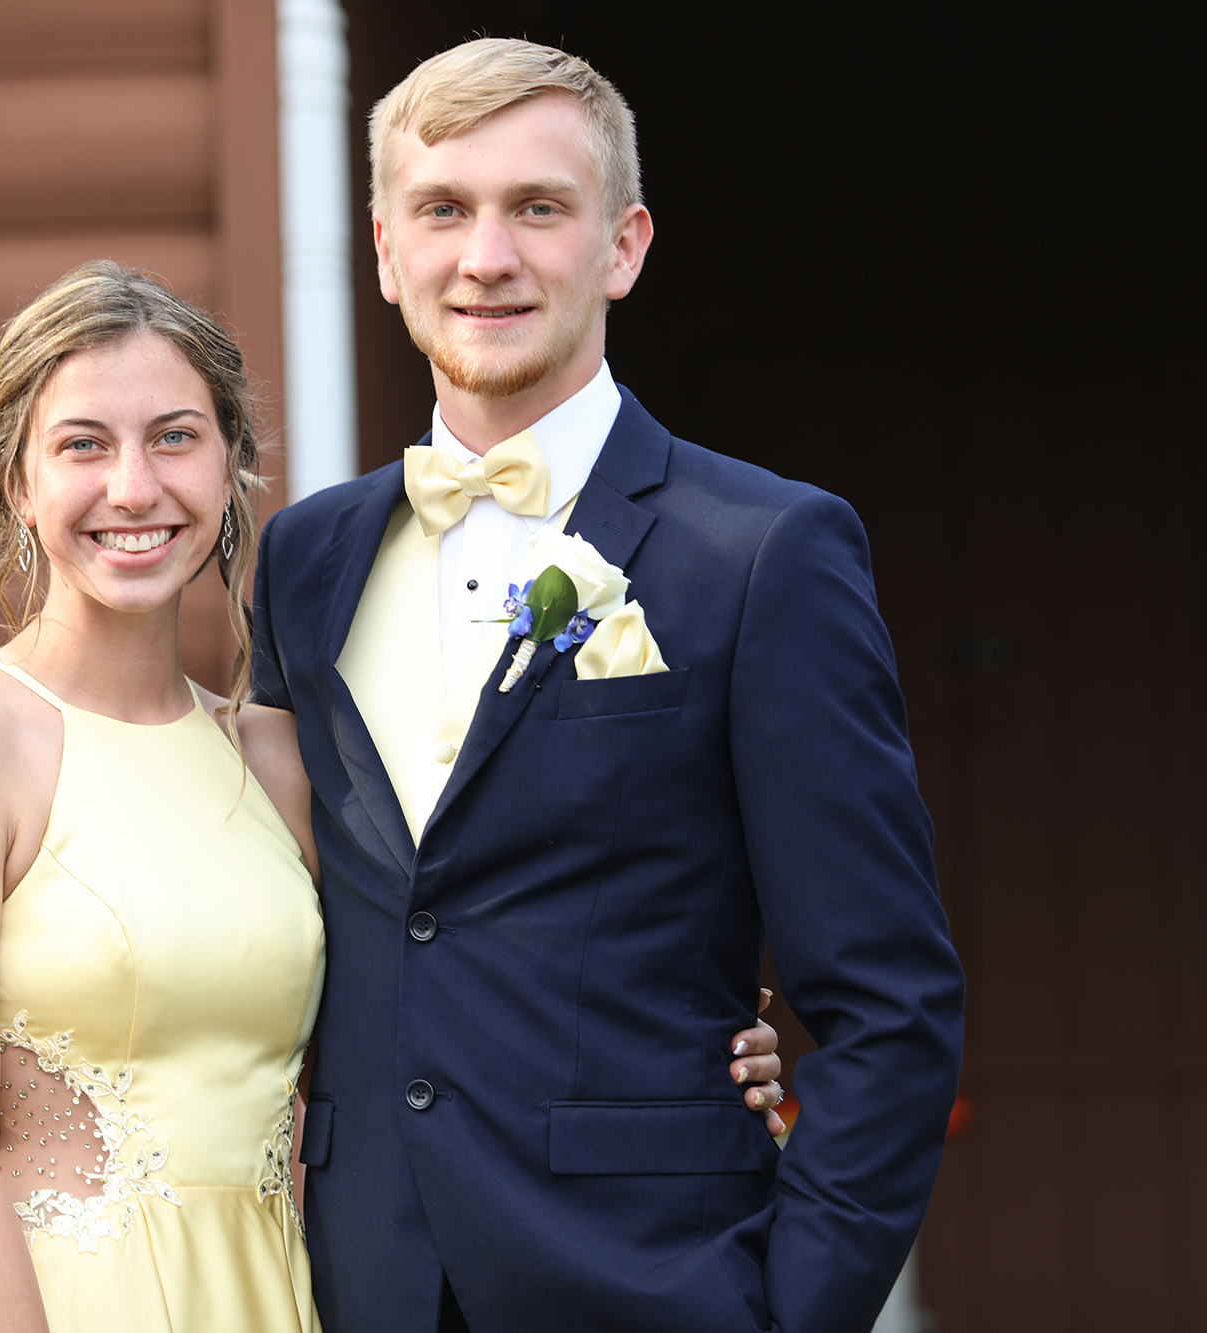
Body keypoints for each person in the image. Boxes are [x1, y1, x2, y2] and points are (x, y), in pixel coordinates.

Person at [0, 260, 786, 1332]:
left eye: (175, 436)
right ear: (16, 480)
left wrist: (690, 1032)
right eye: (82, 445)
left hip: (284, 1294)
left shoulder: (278, 758)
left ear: (233, 467)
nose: (135, 487)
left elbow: (449, 956)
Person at [250, 38, 967, 1333]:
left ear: (623, 246)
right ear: (383, 250)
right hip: (361, 1283)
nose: (486, 256)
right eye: (443, 210)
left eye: (538, 207)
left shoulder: (762, 551)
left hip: (652, 1281)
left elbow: (891, 1009)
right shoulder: (308, 560)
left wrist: (789, 1312)